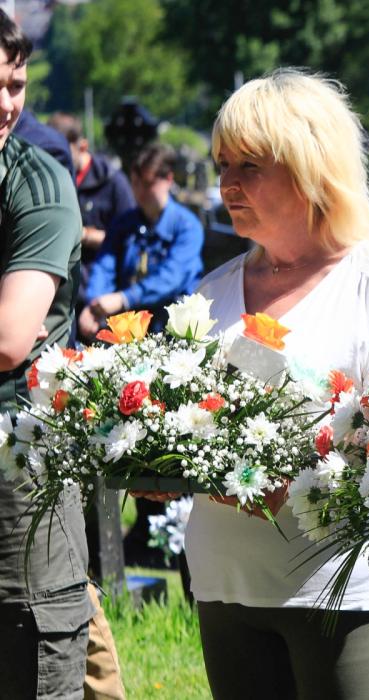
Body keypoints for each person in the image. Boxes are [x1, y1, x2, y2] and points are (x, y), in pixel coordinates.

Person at [179, 68, 369, 699]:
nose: (227, 184)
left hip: (341, 588)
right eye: (222, 164)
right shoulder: (210, 293)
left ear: (310, 167)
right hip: (225, 581)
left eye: (250, 165)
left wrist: (299, 470)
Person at [0, 11, 89, 699]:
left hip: (19, 465)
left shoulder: (37, 184)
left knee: (31, 657)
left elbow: (9, 339)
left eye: (16, 83)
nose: (7, 103)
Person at [79, 142, 204, 342]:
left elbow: (171, 278)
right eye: (135, 183)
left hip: (173, 330)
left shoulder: (187, 226)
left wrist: (124, 298)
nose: (139, 191)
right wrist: (94, 304)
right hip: (130, 330)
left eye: (147, 184)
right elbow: (104, 265)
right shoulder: (123, 223)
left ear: (168, 179)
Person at [48, 112, 136, 259]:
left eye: (60, 154)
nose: (55, 160)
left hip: (98, 267)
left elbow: (130, 238)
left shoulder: (113, 182)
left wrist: (84, 235)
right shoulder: (49, 178)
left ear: (83, 147)